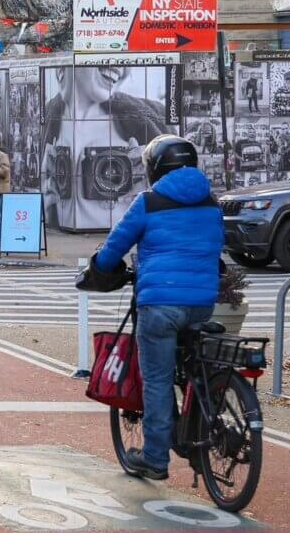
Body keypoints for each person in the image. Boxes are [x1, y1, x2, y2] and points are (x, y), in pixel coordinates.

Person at [89, 135, 223, 481]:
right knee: (186, 365)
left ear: (155, 168)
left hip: (160, 304)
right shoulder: (211, 201)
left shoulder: (149, 201)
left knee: (158, 380)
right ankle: (198, 424)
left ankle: (155, 458)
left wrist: (100, 266)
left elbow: (115, 245)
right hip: (202, 304)